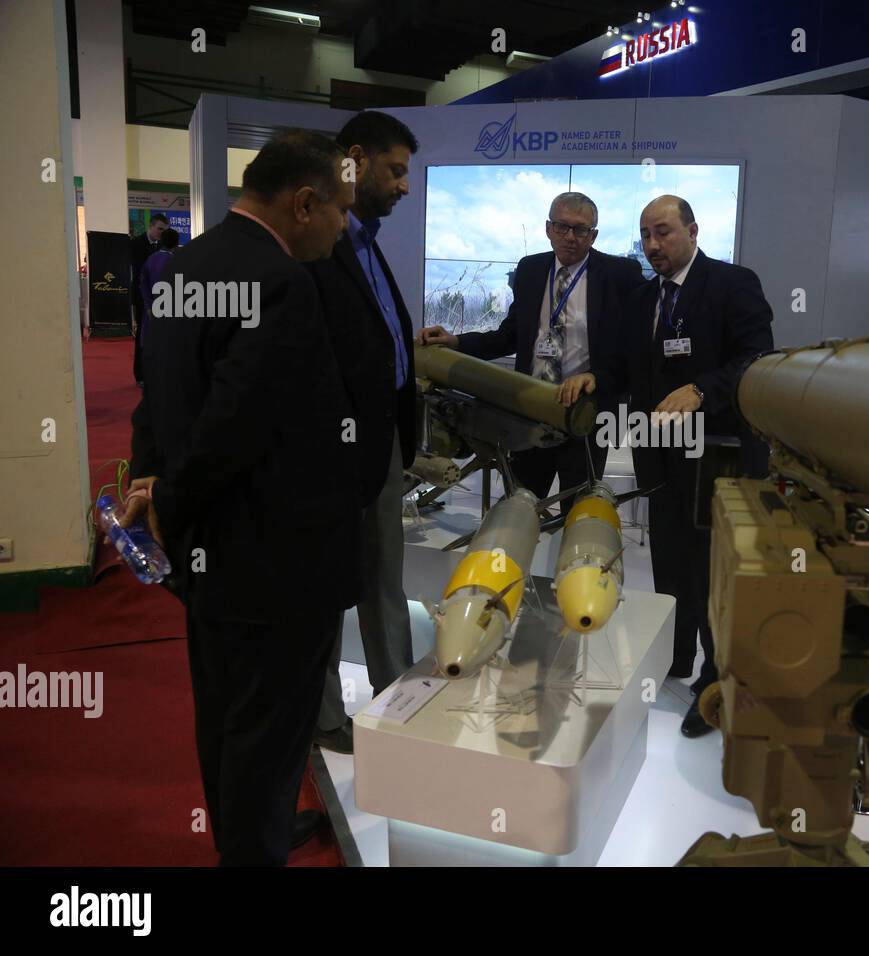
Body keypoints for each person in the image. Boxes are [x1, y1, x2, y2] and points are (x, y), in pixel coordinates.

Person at [123, 129, 360, 865]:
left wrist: (152, 485)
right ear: (303, 201)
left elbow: (153, 398)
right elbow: (237, 421)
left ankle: (241, 842)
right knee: (266, 735)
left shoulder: (187, 264)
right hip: (275, 566)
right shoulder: (282, 282)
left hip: (210, 561)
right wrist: (173, 498)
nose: (343, 225)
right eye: (340, 210)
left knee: (226, 721)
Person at [559, 195, 774, 738]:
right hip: (662, 457)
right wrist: (596, 378)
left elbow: (757, 359)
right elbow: (626, 367)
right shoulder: (641, 298)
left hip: (718, 458)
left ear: (692, 231)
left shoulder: (732, 284)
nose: (653, 246)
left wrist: (702, 389)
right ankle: (676, 657)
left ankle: (715, 678)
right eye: (646, 236)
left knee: (711, 574)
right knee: (672, 563)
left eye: (664, 233)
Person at [305, 111, 421, 755]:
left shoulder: (366, 240)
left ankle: (398, 700)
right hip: (331, 451)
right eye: (397, 170)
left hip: (380, 442)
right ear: (356, 158)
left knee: (384, 580)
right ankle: (324, 717)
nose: (405, 186)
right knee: (326, 582)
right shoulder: (318, 243)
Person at [419, 192, 645, 511]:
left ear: (593, 235)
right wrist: (455, 341)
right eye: (562, 227)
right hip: (529, 412)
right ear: (548, 228)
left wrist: (598, 377)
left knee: (578, 511)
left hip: (585, 414)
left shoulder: (619, 275)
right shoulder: (531, 270)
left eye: (580, 230)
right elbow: (509, 335)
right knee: (519, 507)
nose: (570, 237)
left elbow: (632, 350)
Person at [129, 213, 167, 384]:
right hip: (141, 297)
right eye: (159, 229)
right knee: (141, 338)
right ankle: (140, 375)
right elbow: (139, 274)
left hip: (158, 297)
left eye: (164, 230)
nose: (161, 232)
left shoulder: (161, 247)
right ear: (150, 226)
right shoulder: (136, 244)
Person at [137, 227, 180, 352]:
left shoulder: (151, 259)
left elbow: (143, 284)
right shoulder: (176, 261)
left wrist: (149, 306)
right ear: (176, 243)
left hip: (151, 310)